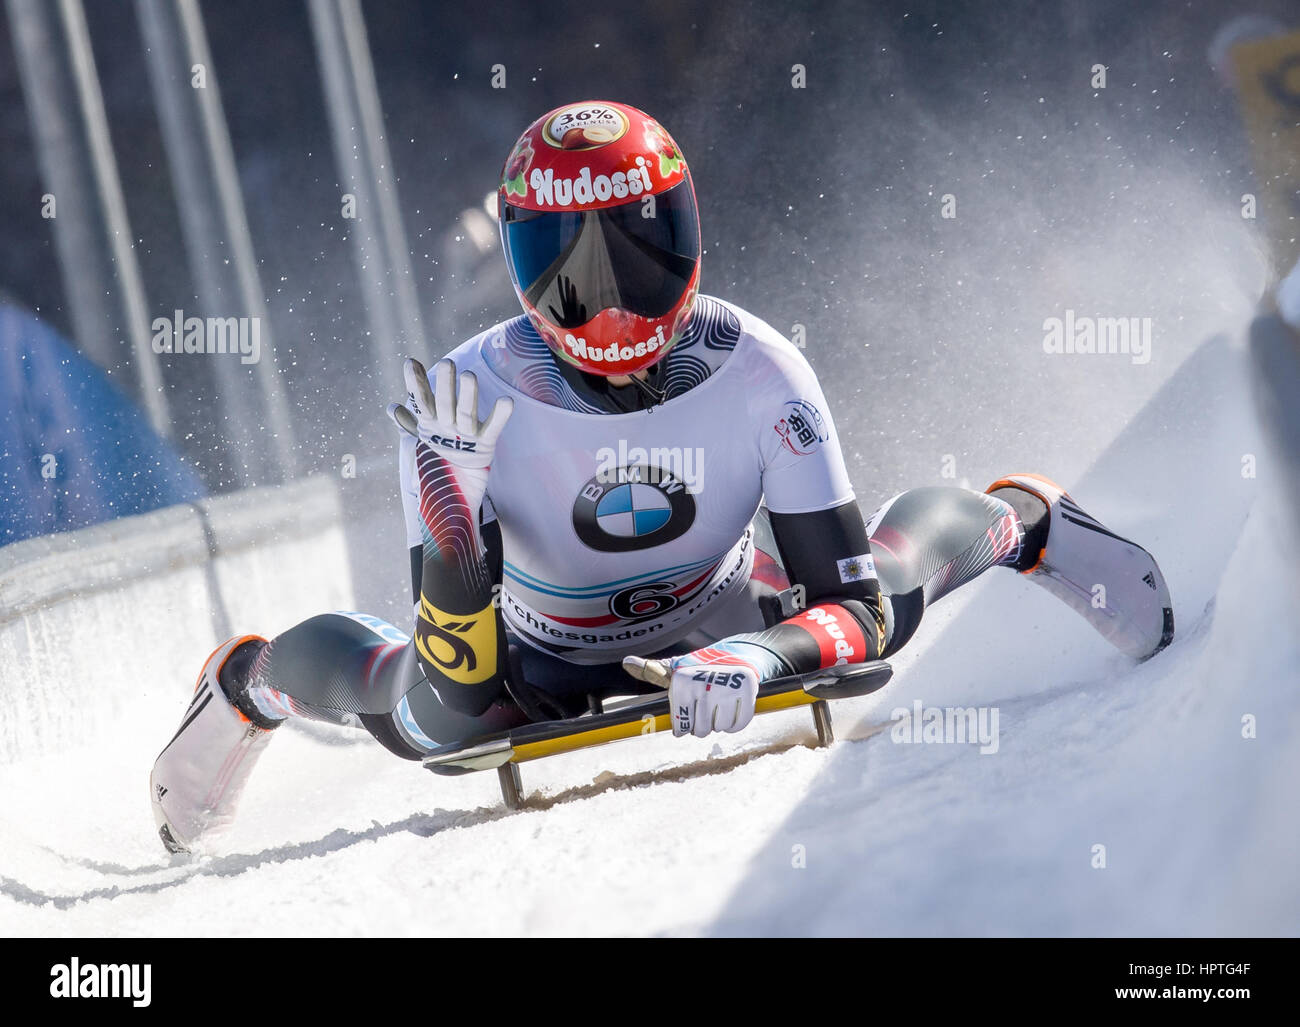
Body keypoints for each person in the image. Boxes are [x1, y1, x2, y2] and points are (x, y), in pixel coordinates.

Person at [149, 101, 1174, 854]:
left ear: (683, 234)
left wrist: (765, 656)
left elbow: (851, 601)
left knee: (885, 618)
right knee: (424, 720)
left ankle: (1022, 519)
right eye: (572, 265)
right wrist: (457, 545)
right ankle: (248, 684)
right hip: (533, 659)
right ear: (521, 266)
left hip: (722, 610)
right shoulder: (463, 400)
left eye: (637, 249)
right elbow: (459, 674)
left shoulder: (764, 368)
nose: (609, 299)